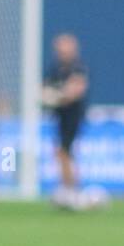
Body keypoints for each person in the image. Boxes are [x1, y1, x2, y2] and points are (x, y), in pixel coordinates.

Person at [42, 33, 89, 209]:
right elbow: (44, 88)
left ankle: (72, 191)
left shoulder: (78, 67)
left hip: (73, 116)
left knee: (65, 152)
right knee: (60, 152)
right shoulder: (55, 68)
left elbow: (75, 90)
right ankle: (66, 188)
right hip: (60, 115)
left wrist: (56, 96)